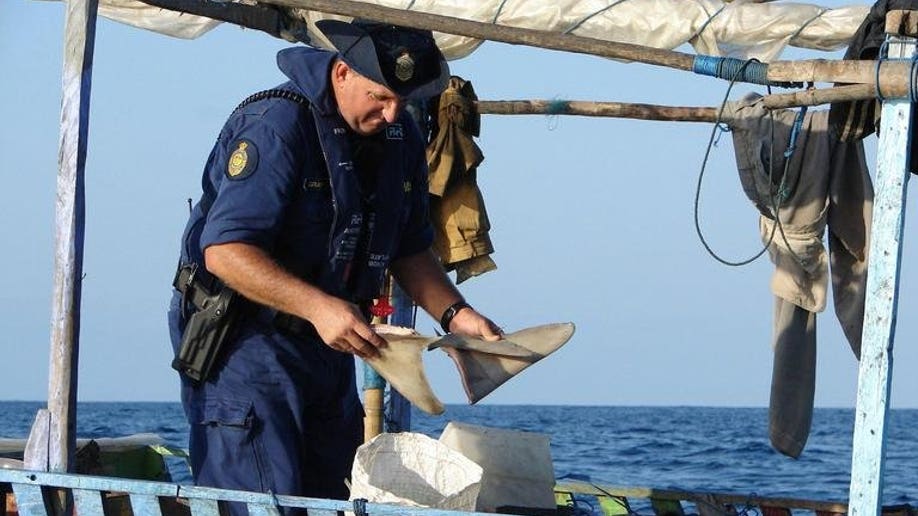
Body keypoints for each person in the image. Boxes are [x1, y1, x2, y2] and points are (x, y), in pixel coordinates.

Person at [166, 18, 502, 508]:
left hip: (328, 353)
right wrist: (320, 307)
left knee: (333, 499)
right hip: (245, 347)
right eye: (381, 98)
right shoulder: (276, 127)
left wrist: (457, 315)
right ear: (342, 73)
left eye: (403, 103)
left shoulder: (401, 136)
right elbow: (225, 252)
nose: (392, 115)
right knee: (260, 501)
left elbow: (409, 246)